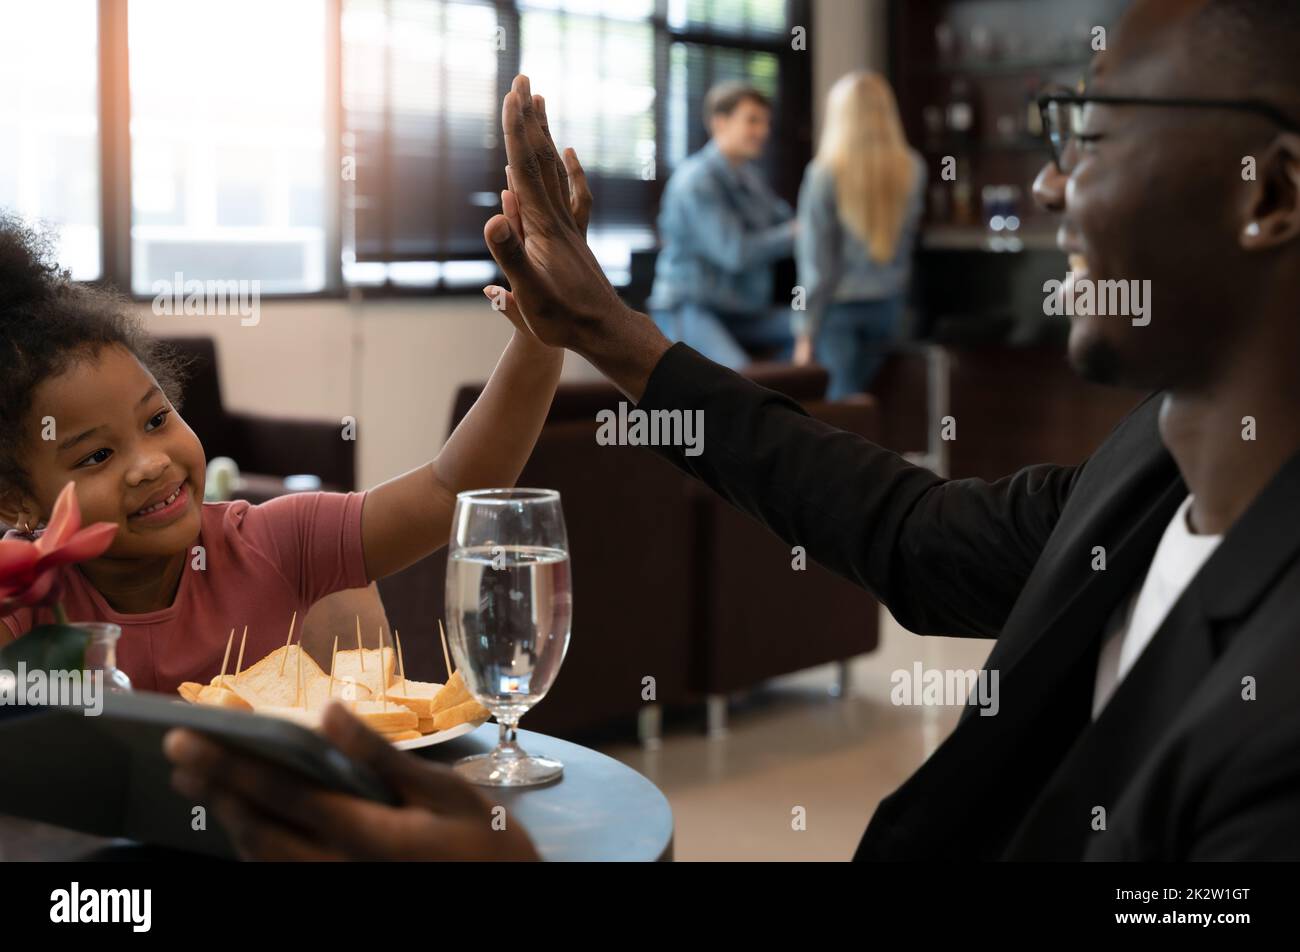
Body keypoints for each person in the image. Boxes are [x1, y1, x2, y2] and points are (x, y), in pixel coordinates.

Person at [169, 0, 1300, 861]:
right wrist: (610, 334)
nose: (1050, 185)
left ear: (1271, 193)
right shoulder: (1150, 471)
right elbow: (906, 527)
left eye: (1090, 131)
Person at [0, 181, 576, 691]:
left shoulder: (271, 545)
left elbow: (447, 490)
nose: (149, 464)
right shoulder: (24, 604)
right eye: (97, 455)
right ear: (16, 500)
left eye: (156, 420)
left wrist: (540, 341)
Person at [646, 81, 797, 369]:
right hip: (691, 308)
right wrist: (793, 233)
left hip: (742, 311)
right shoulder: (695, 180)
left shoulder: (751, 177)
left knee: (815, 328)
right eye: (752, 121)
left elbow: (783, 219)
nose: (763, 132)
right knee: (739, 379)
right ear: (720, 123)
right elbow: (736, 253)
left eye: (766, 122)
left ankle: (777, 398)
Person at [794, 71, 926, 398]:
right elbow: (907, 242)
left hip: (839, 311)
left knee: (841, 413)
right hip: (890, 309)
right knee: (860, 403)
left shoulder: (824, 172)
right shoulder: (913, 167)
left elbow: (817, 265)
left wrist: (804, 332)